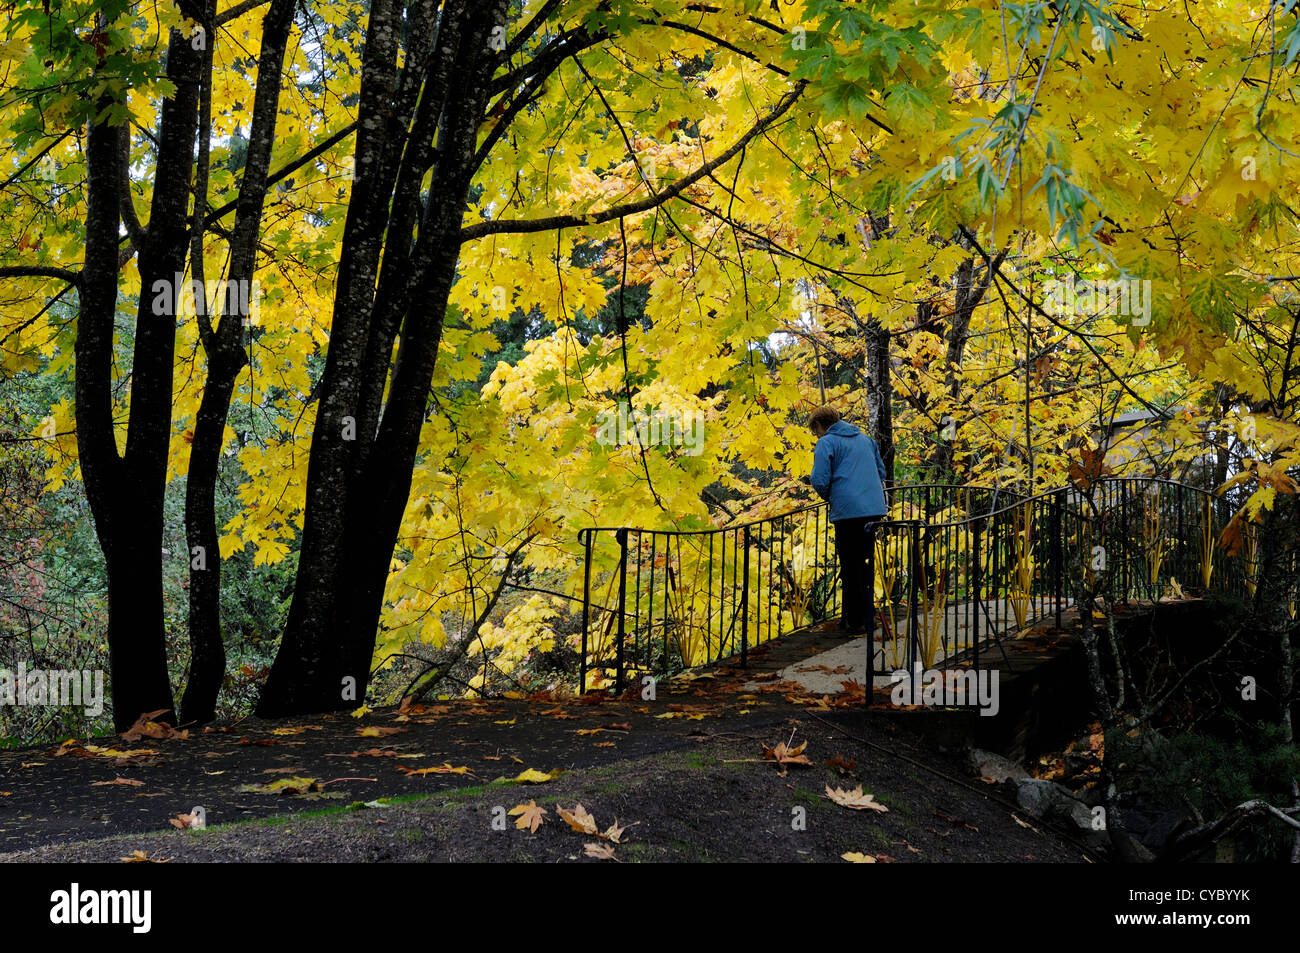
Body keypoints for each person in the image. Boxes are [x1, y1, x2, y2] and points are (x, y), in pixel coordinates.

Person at [808, 406, 889, 634]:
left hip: (848, 511)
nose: (816, 435)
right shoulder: (865, 439)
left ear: (819, 425)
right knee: (865, 563)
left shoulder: (827, 442)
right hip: (873, 509)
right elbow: (881, 472)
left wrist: (831, 495)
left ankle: (855, 621)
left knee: (850, 565)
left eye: (815, 431)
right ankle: (866, 615)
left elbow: (820, 479)